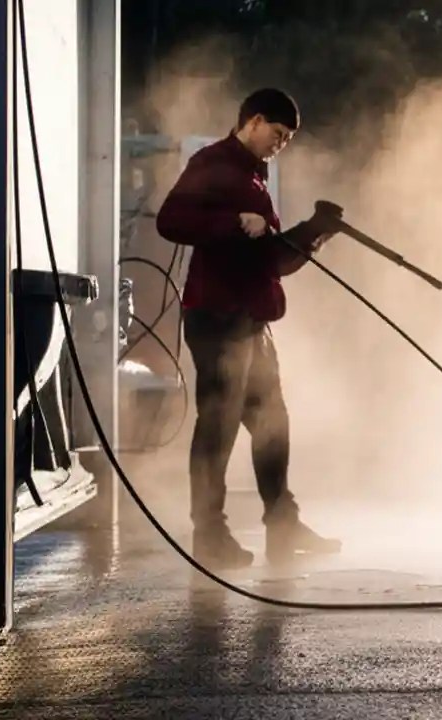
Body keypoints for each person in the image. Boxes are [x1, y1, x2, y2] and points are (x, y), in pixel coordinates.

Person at [156, 88, 341, 568]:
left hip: (251, 322)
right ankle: (209, 535)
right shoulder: (215, 162)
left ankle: (283, 521)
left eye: (287, 140)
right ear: (254, 120)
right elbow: (170, 220)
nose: (281, 145)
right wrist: (231, 221)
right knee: (217, 425)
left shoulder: (256, 182)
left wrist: (314, 231)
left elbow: (274, 262)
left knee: (271, 422)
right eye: (278, 135)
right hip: (217, 318)